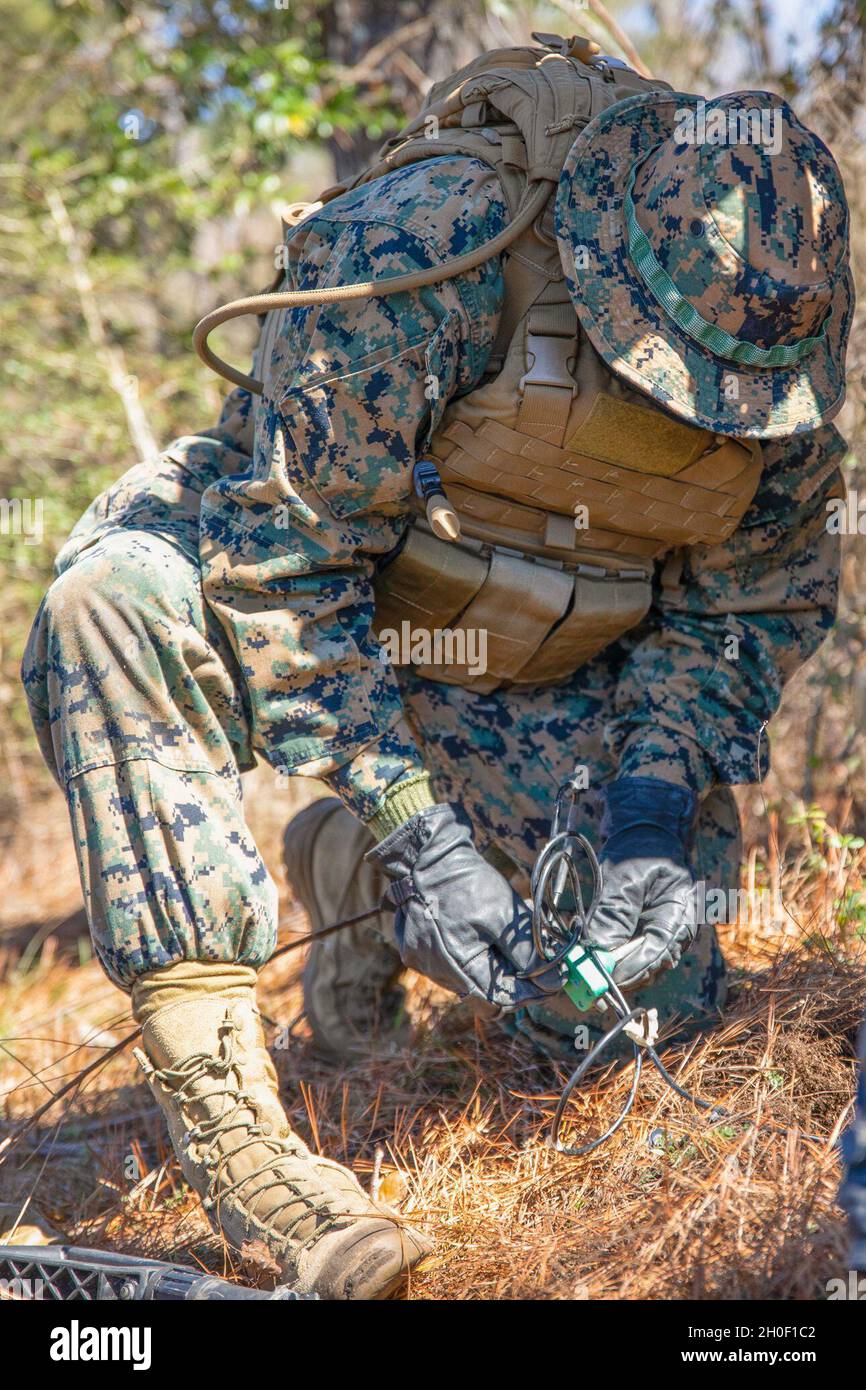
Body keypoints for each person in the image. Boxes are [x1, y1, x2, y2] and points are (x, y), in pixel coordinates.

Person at [22, 35, 852, 1298]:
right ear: (607, 269)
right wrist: (422, 831)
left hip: (545, 659)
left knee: (634, 1004)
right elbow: (285, 563)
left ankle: (350, 869)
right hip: (332, 599)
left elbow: (752, 602)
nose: (711, 406)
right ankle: (241, 1141)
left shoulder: (772, 336)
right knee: (111, 602)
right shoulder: (423, 249)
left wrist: (645, 809)